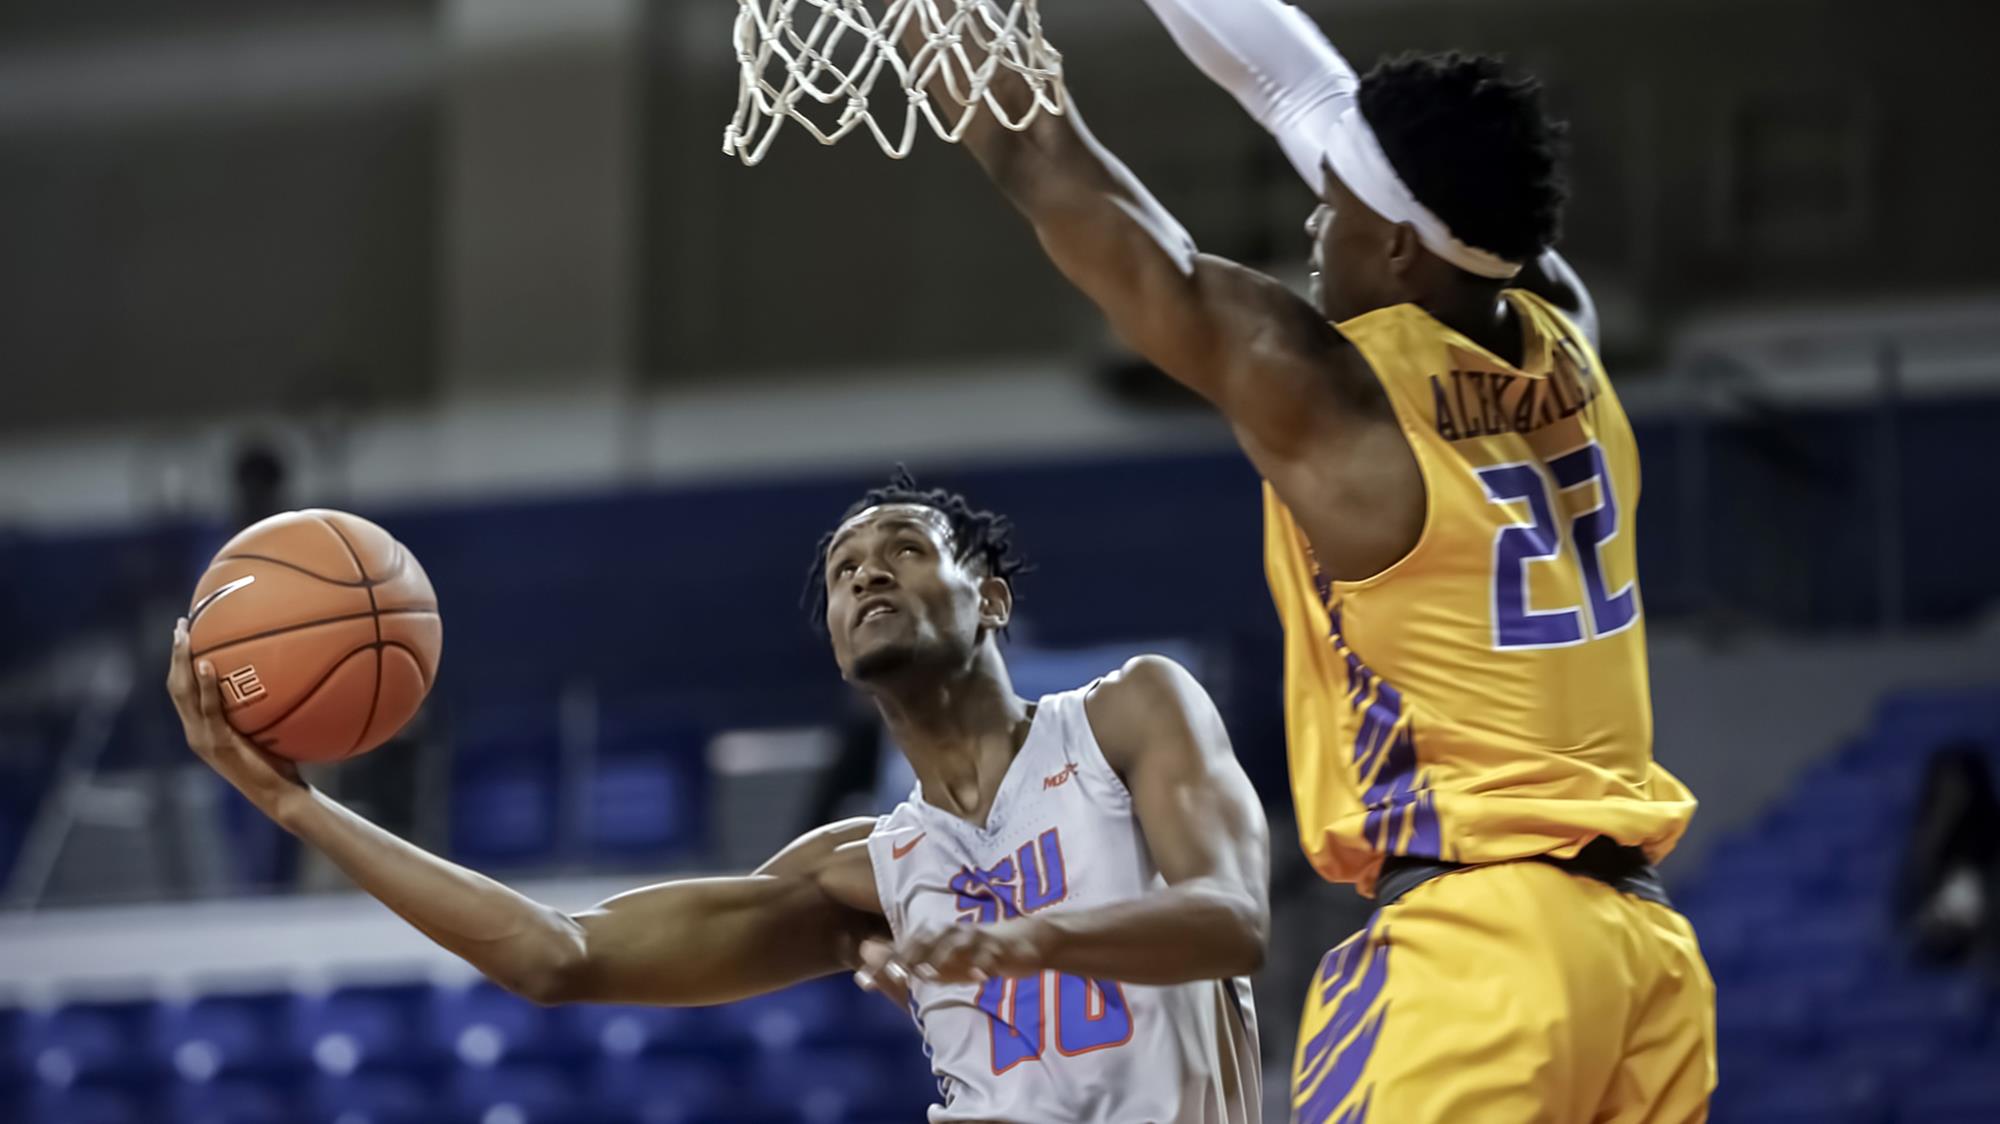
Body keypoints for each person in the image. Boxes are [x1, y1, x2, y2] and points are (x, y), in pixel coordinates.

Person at [918, 1, 1716, 1118]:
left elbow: (1054, 171)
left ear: (1395, 241)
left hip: (1476, 955)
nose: (1310, 218)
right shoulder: (1560, 327)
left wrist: (942, 34)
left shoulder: (1334, 393)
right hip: (1642, 958)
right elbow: (1301, 92)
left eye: (1333, 205)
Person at [167, 470, 1268, 1124]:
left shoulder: (1125, 715)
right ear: (835, 640)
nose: (866, 574)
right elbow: (557, 955)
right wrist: (298, 806)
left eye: (901, 550)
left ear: (987, 598)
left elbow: (1232, 921)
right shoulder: (864, 869)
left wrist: (1019, 940)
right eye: (843, 571)